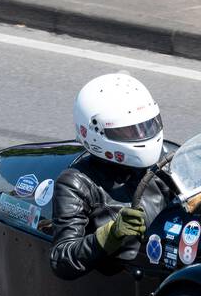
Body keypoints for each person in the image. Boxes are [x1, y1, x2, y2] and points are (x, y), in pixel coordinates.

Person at [49, 72, 171, 279]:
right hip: (131, 280)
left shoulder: (165, 160)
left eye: (147, 125)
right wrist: (111, 234)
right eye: (129, 131)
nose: (143, 136)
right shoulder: (76, 184)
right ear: (95, 132)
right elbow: (61, 258)